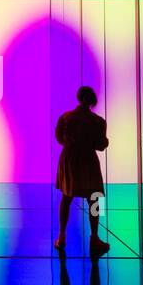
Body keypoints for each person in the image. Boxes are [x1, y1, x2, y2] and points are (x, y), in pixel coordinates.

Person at [54, 85, 109, 254]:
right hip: (88, 160)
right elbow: (101, 145)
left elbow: (59, 138)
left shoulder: (66, 117)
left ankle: (62, 236)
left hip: (70, 159)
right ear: (92, 100)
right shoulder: (98, 121)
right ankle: (94, 237)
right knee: (94, 199)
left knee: (67, 197)